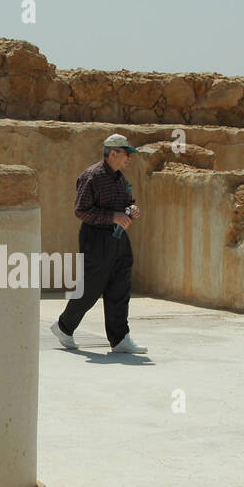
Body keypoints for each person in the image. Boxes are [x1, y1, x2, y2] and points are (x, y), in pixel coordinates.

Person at [50, 133, 148, 354]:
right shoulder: (91, 177)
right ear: (112, 153)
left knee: (120, 287)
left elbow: (126, 204)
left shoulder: (120, 179)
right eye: (126, 154)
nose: (129, 159)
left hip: (119, 238)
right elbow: (81, 210)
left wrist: (131, 210)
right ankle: (64, 326)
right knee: (92, 288)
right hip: (96, 238)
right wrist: (112, 216)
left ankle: (120, 338)